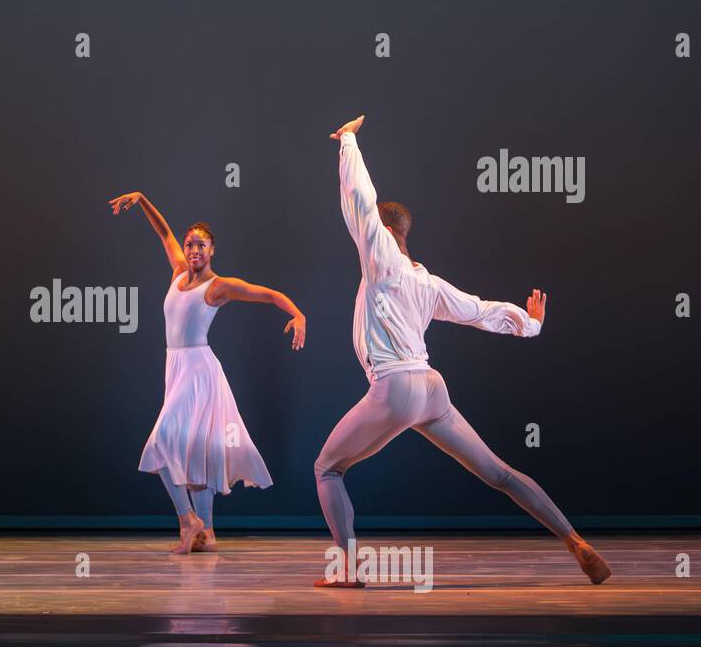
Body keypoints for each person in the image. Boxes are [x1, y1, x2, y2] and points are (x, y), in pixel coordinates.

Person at [313, 116, 611, 587]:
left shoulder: (383, 261)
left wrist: (348, 142)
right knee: (500, 474)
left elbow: (361, 205)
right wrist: (529, 324)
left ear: (388, 235)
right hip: (431, 389)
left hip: (394, 387)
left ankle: (348, 572)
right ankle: (575, 540)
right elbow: (481, 311)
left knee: (327, 468)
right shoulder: (427, 281)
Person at [109, 191, 306, 553]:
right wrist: (142, 201)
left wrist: (298, 315)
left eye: (200, 245)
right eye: (189, 245)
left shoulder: (218, 287)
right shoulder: (178, 272)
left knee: (161, 441)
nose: (193, 250)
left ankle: (188, 520)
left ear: (212, 250)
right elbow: (164, 234)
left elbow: (266, 294)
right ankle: (208, 534)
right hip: (176, 367)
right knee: (196, 450)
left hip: (199, 371)